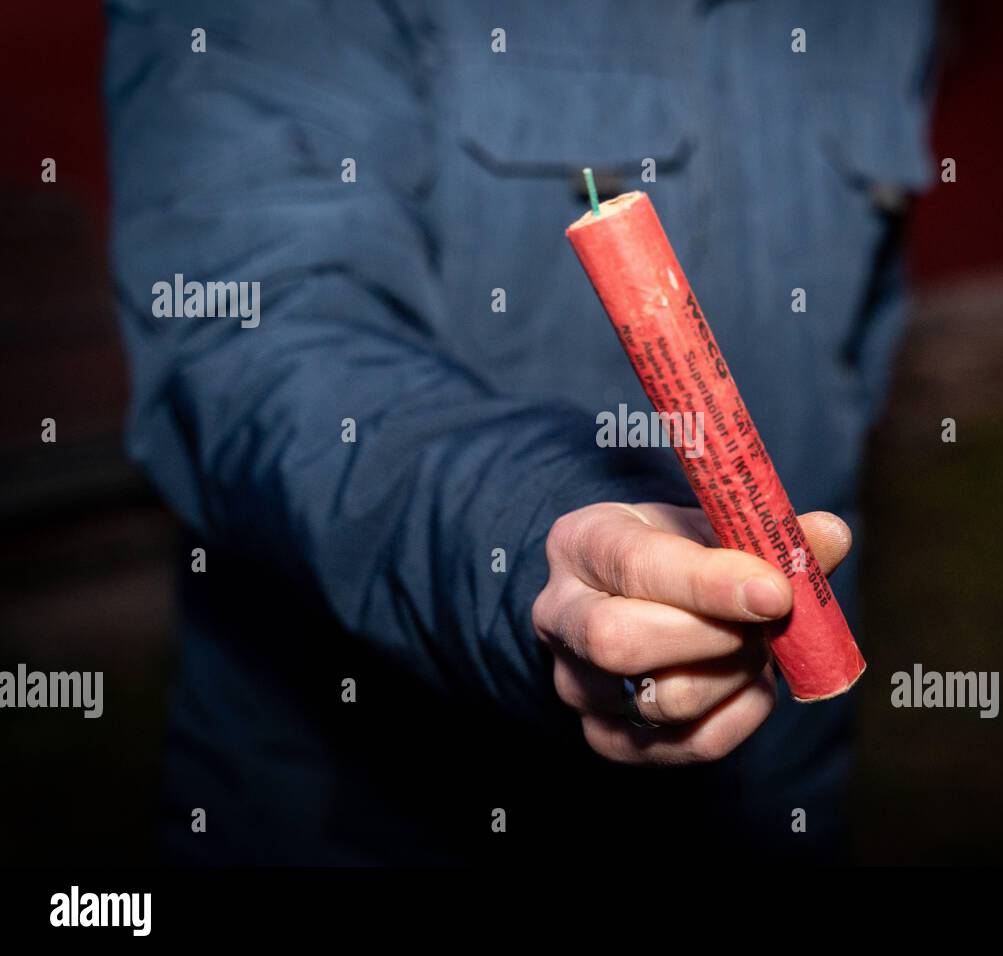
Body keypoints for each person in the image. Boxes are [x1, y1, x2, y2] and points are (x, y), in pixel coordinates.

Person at [105, 0, 935, 863]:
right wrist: (532, 540)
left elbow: (849, 359)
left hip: (766, 792)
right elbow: (254, 344)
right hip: (373, 807)